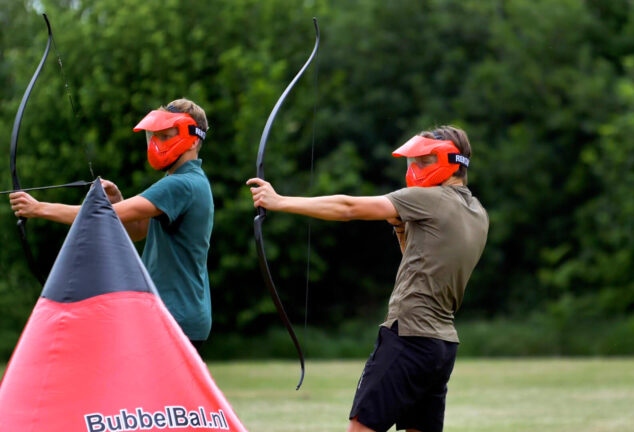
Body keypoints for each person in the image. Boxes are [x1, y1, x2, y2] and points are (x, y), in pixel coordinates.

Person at [247, 125, 488, 432]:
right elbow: (420, 260)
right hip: (441, 346)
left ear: (451, 162)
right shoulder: (478, 211)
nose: (414, 169)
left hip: (408, 337)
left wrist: (279, 201)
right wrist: (401, 228)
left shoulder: (430, 200)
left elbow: (348, 208)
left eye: (423, 161)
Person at [9, 98, 214, 349]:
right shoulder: (193, 181)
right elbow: (138, 232)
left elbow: (102, 216)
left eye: (166, 134)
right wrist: (117, 200)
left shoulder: (180, 185)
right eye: (156, 135)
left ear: (193, 139)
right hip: (179, 315)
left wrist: (38, 208)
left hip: (176, 316)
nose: (157, 142)